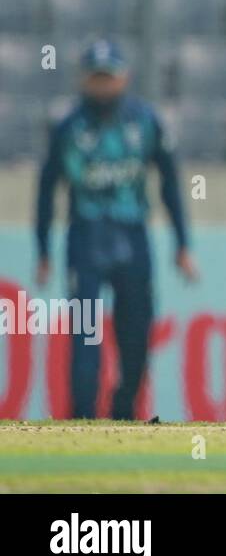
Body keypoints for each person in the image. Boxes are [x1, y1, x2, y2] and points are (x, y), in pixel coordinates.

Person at [35, 38, 198, 419]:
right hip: (86, 240)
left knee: (136, 336)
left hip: (132, 239)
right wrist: (42, 249)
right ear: (84, 80)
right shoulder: (68, 128)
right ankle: (82, 421)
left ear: (124, 78)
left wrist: (183, 244)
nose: (103, 86)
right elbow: (46, 190)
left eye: (109, 77)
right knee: (86, 337)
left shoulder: (145, 122)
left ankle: (124, 413)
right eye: (96, 78)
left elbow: (171, 184)